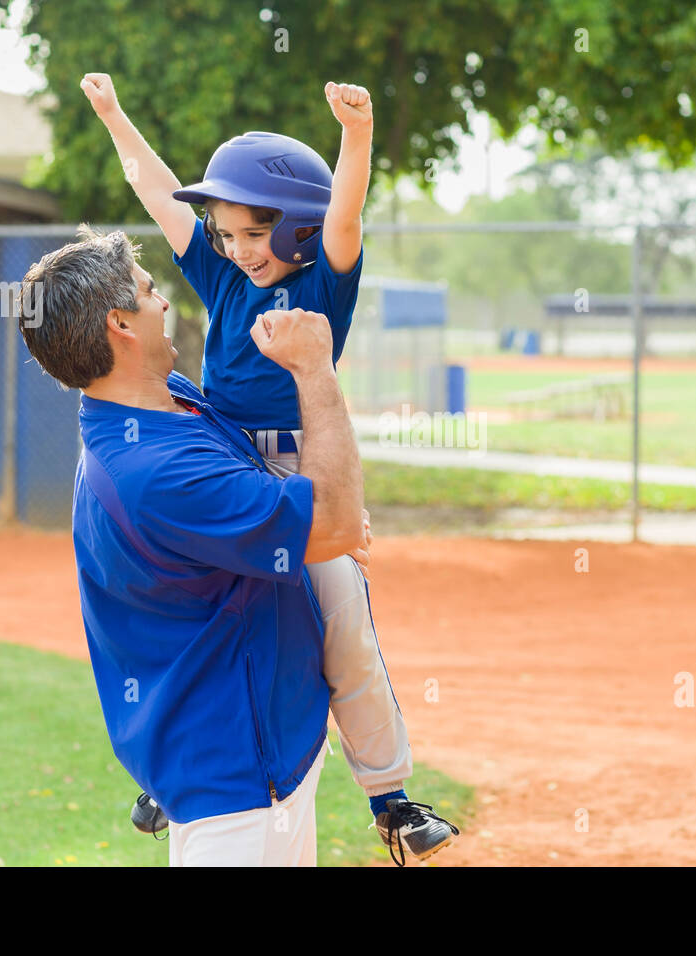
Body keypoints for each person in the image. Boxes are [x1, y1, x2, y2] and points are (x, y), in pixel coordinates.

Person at [79, 72, 456, 864]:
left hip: (296, 478)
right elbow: (157, 194)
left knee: (345, 630)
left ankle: (390, 798)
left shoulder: (325, 282)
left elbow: (346, 212)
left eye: (255, 233)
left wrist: (357, 136)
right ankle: (170, 774)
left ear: (295, 230)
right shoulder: (222, 276)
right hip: (221, 463)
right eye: (227, 234)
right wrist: (115, 115)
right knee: (198, 624)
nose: (238, 251)